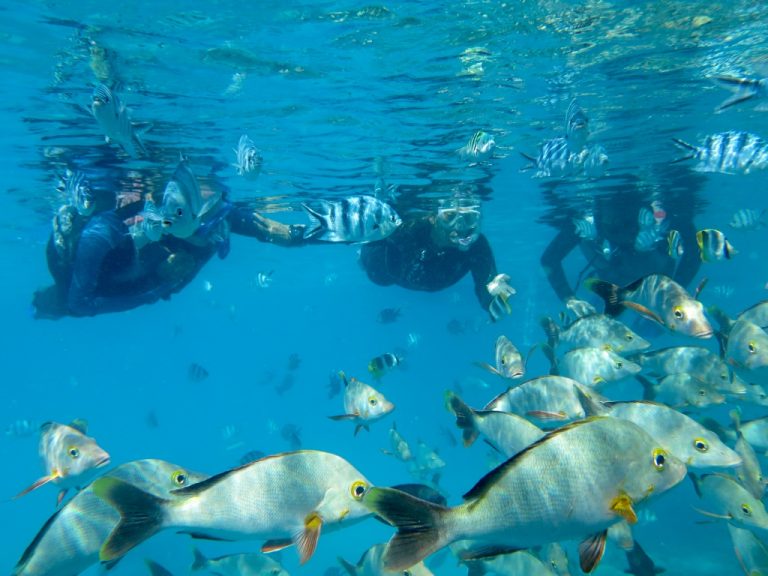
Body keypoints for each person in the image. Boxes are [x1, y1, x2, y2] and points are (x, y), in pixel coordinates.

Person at [32, 159, 307, 319]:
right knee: (197, 237)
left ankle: (289, 232)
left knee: (195, 231)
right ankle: (291, 233)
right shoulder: (78, 285)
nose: (36, 302)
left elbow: (100, 232)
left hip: (143, 246)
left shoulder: (73, 278)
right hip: (151, 250)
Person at [539, 166, 704, 316]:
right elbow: (549, 259)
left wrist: (676, 294)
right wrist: (569, 299)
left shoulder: (659, 219)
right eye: (611, 222)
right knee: (605, 327)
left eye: (625, 222)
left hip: (654, 289)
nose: (618, 225)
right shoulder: (587, 222)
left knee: (650, 331)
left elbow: (694, 252)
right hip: (611, 283)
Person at [359, 193, 514, 317]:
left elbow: (486, 295)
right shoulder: (411, 228)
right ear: (433, 217)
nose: (459, 226)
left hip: (430, 281)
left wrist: (495, 295)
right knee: (378, 276)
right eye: (449, 216)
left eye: (468, 218)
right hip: (385, 272)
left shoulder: (477, 245)